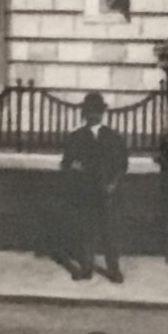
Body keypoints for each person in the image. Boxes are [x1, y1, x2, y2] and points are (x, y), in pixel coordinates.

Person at [57, 92, 129, 283]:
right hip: (85, 191)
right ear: (84, 113)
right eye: (89, 112)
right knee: (86, 231)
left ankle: (114, 269)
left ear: (102, 113)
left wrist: (113, 184)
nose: (93, 115)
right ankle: (86, 268)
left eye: (97, 111)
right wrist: (73, 167)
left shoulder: (113, 137)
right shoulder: (76, 137)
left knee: (109, 232)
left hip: (107, 192)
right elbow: (65, 163)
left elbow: (122, 164)